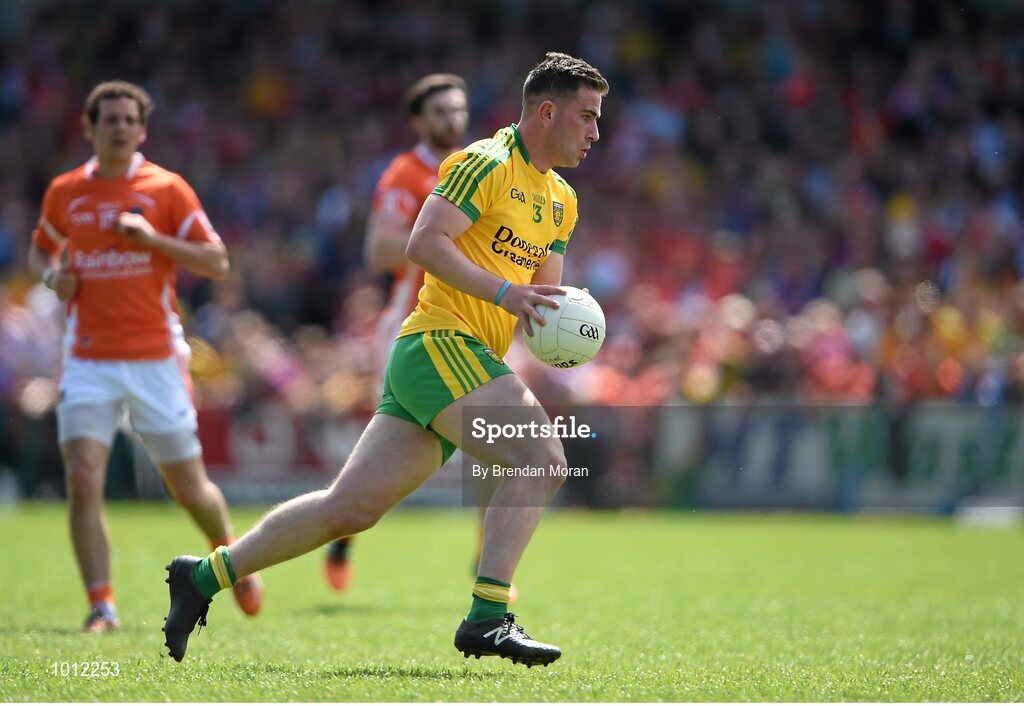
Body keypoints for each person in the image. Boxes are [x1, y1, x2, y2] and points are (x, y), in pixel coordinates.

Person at [164, 52, 607, 667]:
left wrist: (566, 330)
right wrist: (507, 293)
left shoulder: (562, 199)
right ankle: (489, 616)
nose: (594, 133)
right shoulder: (484, 162)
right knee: (543, 455)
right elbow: (423, 242)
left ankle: (203, 577)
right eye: (586, 117)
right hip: (439, 343)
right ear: (549, 110)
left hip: (455, 359)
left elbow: (545, 302)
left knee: (349, 509)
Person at [28, 80, 264, 633]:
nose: (119, 127)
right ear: (89, 129)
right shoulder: (66, 191)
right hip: (87, 359)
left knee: (188, 488)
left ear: (142, 129)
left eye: (128, 119)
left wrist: (152, 239)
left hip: (156, 359)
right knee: (83, 477)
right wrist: (50, 276)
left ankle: (232, 556)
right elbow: (42, 246)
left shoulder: (167, 189)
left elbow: (217, 262)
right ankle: (101, 606)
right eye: (107, 119)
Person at [324, 73, 470, 592]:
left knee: (505, 433)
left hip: (476, 321)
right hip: (414, 324)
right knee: (384, 447)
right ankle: (343, 529)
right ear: (418, 120)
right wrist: (445, 230)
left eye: (459, 110)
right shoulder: (405, 174)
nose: (453, 120)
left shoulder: (478, 167)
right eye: (440, 112)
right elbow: (379, 251)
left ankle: (486, 561)